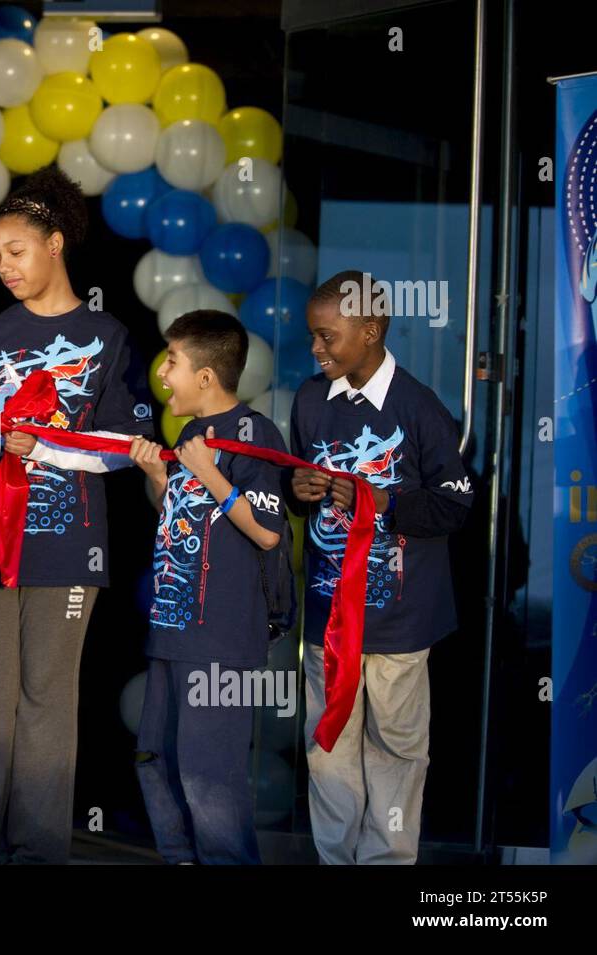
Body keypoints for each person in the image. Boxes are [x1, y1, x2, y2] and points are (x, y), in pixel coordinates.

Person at [0, 165, 154, 863]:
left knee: (47, 700)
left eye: (16, 251)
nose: (4, 267)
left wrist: (46, 446)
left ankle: (37, 852)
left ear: (55, 243)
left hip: (70, 548)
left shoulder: (109, 333)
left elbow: (126, 446)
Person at [289, 269, 473, 864]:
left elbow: (454, 503)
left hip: (399, 621)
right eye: (313, 338)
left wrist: (380, 500)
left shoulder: (420, 407)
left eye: (327, 337)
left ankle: (388, 862)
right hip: (328, 617)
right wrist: (300, 488)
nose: (316, 350)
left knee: (395, 749)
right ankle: (335, 859)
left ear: (369, 331)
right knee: (330, 747)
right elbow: (296, 489)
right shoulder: (311, 398)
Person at [127, 311, 287, 865]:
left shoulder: (254, 433)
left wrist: (210, 473)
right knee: (156, 758)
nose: (163, 373)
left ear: (206, 376)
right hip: (173, 630)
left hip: (219, 638)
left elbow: (267, 531)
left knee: (208, 772)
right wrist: (158, 481)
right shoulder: (195, 434)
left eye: (172, 361)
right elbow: (190, 520)